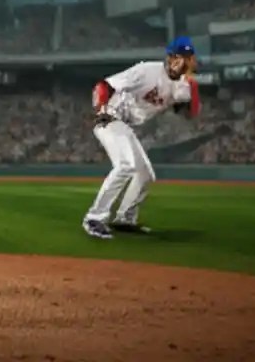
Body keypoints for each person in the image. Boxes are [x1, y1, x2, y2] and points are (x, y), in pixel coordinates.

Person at [82, 36, 202, 239]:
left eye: (186, 58)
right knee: (125, 165)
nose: (181, 62)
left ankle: (125, 219)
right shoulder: (147, 71)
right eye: (178, 56)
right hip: (110, 117)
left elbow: (190, 114)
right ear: (170, 57)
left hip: (125, 125)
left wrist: (193, 87)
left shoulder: (183, 86)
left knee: (145, 175)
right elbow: (104, 85)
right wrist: (101, 108)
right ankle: (94, 218)